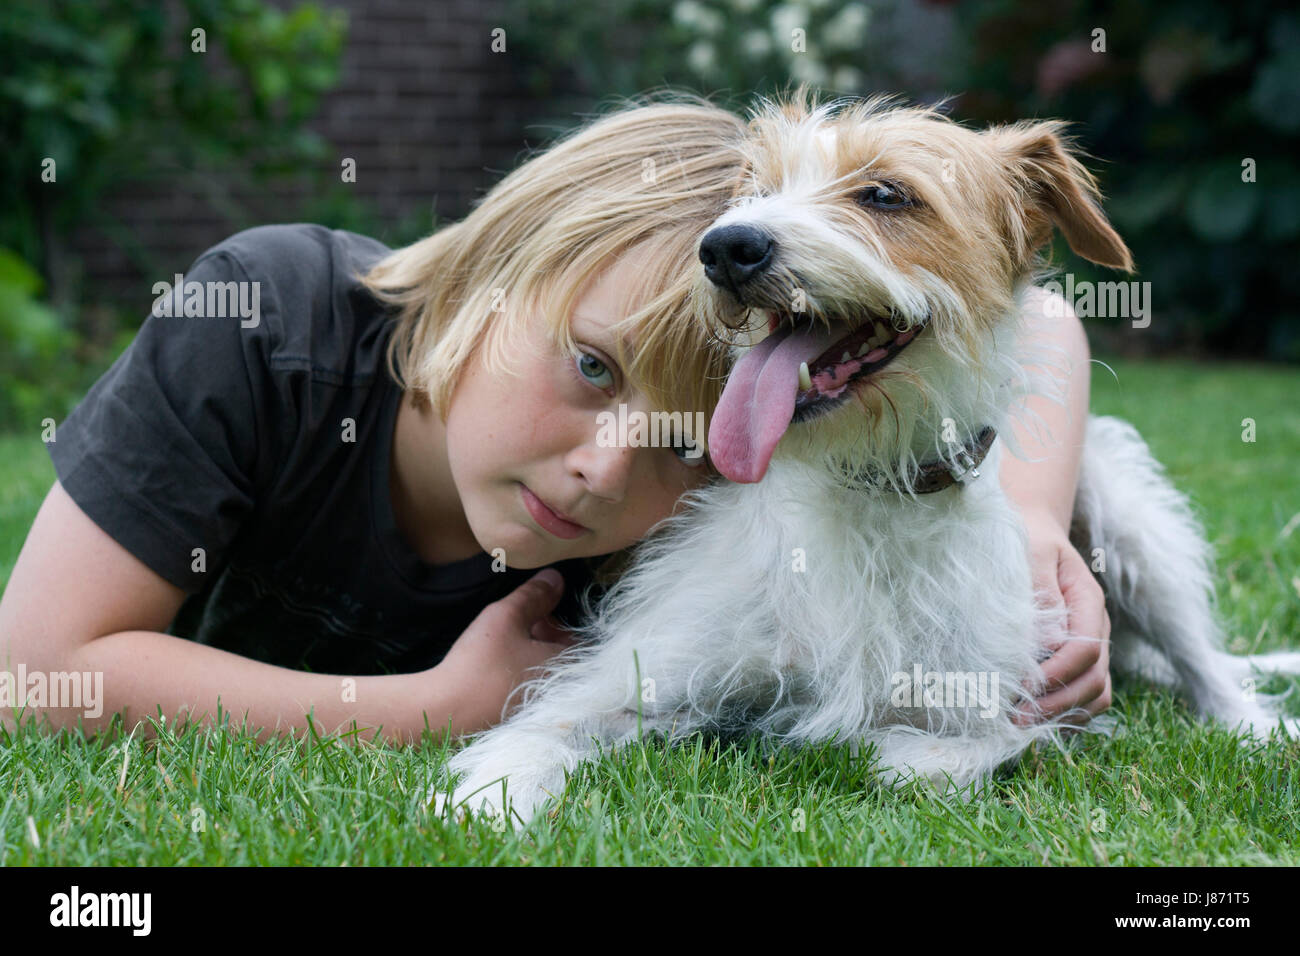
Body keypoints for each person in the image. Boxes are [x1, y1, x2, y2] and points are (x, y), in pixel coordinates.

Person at [0, 96, 1111, 745]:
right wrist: (427, 706)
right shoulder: (268, 324)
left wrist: (1026, 525)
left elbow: (1039, 312)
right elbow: (32, 666)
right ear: (498, 262)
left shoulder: (763, 426)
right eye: (589, 364)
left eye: (681, 439)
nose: (599, 468)